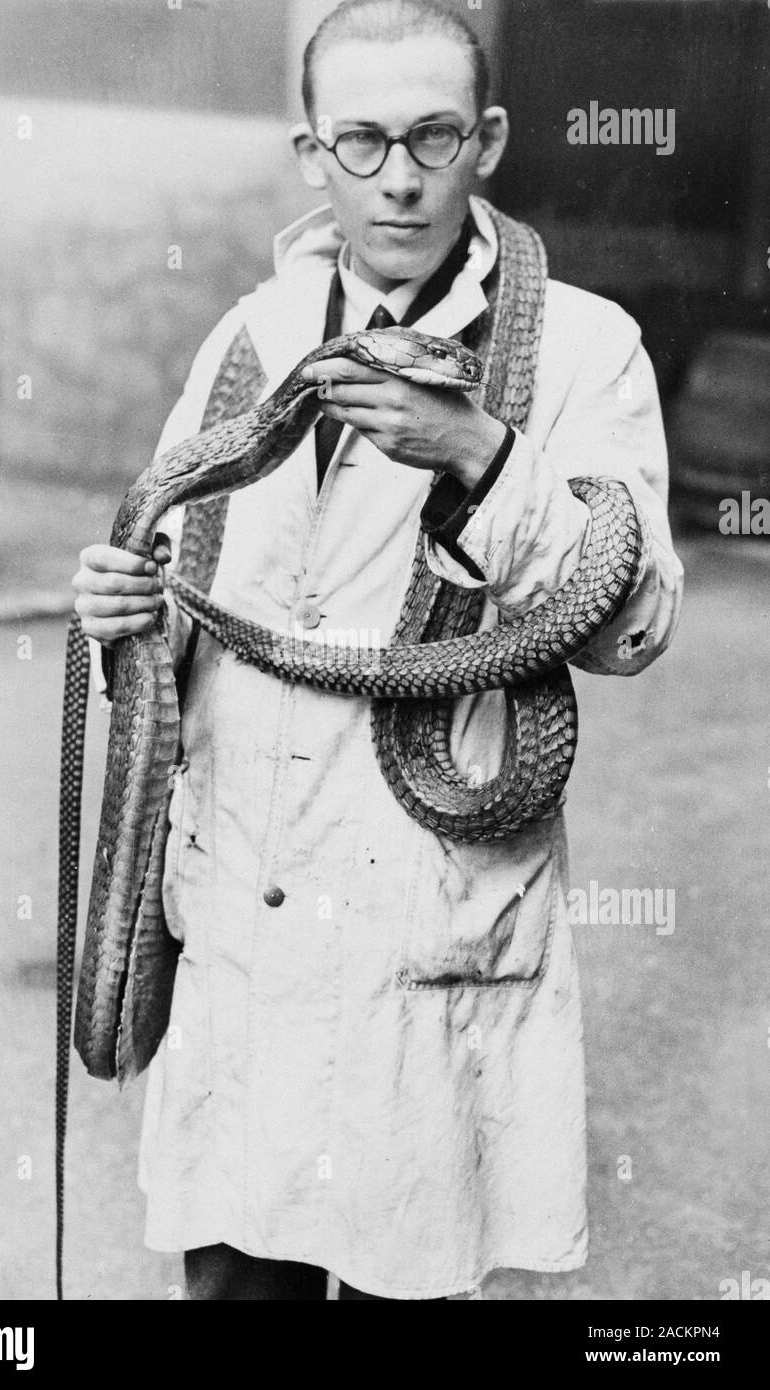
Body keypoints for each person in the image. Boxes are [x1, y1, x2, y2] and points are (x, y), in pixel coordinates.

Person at [72, 0, 684, 1301]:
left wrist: (477, 455)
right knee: (236, 1278)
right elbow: (200, 588)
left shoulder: (579, 346)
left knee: (412, 1263)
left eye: (433, 135)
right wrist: (128, 611)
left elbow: (634, 625)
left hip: (423, 909)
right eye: (361, 141)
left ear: (490, 139)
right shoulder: (248, 337)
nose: (400, 177)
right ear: (311, 151)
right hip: (244, 907)